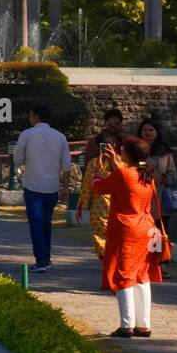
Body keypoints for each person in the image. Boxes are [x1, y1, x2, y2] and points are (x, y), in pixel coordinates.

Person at [90, 137, 164, 338]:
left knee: (123, 275)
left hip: (126, 230)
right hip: (146, 228)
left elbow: (99, 187)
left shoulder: (123, 174)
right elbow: (127, 178)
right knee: (142, 275)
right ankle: (144, 324)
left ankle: (126, 325)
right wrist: (115, 164)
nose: (120, 152)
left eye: (122, 150)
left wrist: (96, 174)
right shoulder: (147, 174)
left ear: (128, 155)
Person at [13, 103, 72, 273]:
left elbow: (17, 158)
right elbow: (67, 165)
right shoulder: (60, 137)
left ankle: (42, 259)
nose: (29, 118)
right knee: (46, 223)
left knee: (36, 223)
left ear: (36, 116)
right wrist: (66, 187)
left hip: (32, 184)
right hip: (52, 186)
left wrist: (24, 163)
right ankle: (46, 256)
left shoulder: (27, 134)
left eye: (31, 115)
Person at [78, 109, 125, 261]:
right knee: (102, 233)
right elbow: (87, 181)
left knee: (111, 235)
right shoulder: (95, 158)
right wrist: (82, 204)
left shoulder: (125, 147)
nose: (113, 126)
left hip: (117, 203)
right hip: (103, 203)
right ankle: (111, 260)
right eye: (110, 123)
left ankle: (112, 259)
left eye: (116, 124)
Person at [138, 118, 177, 277]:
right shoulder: (136, 150)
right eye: (145, 130)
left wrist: (162, 179)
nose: (147, 133)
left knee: (159, 233)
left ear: (156, 133)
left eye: (151, 130)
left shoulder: (165, 153)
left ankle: (160, 264)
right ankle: (144, 263)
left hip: (160, 199)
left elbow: (173, 175)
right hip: (141, 197)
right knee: (143, 233)